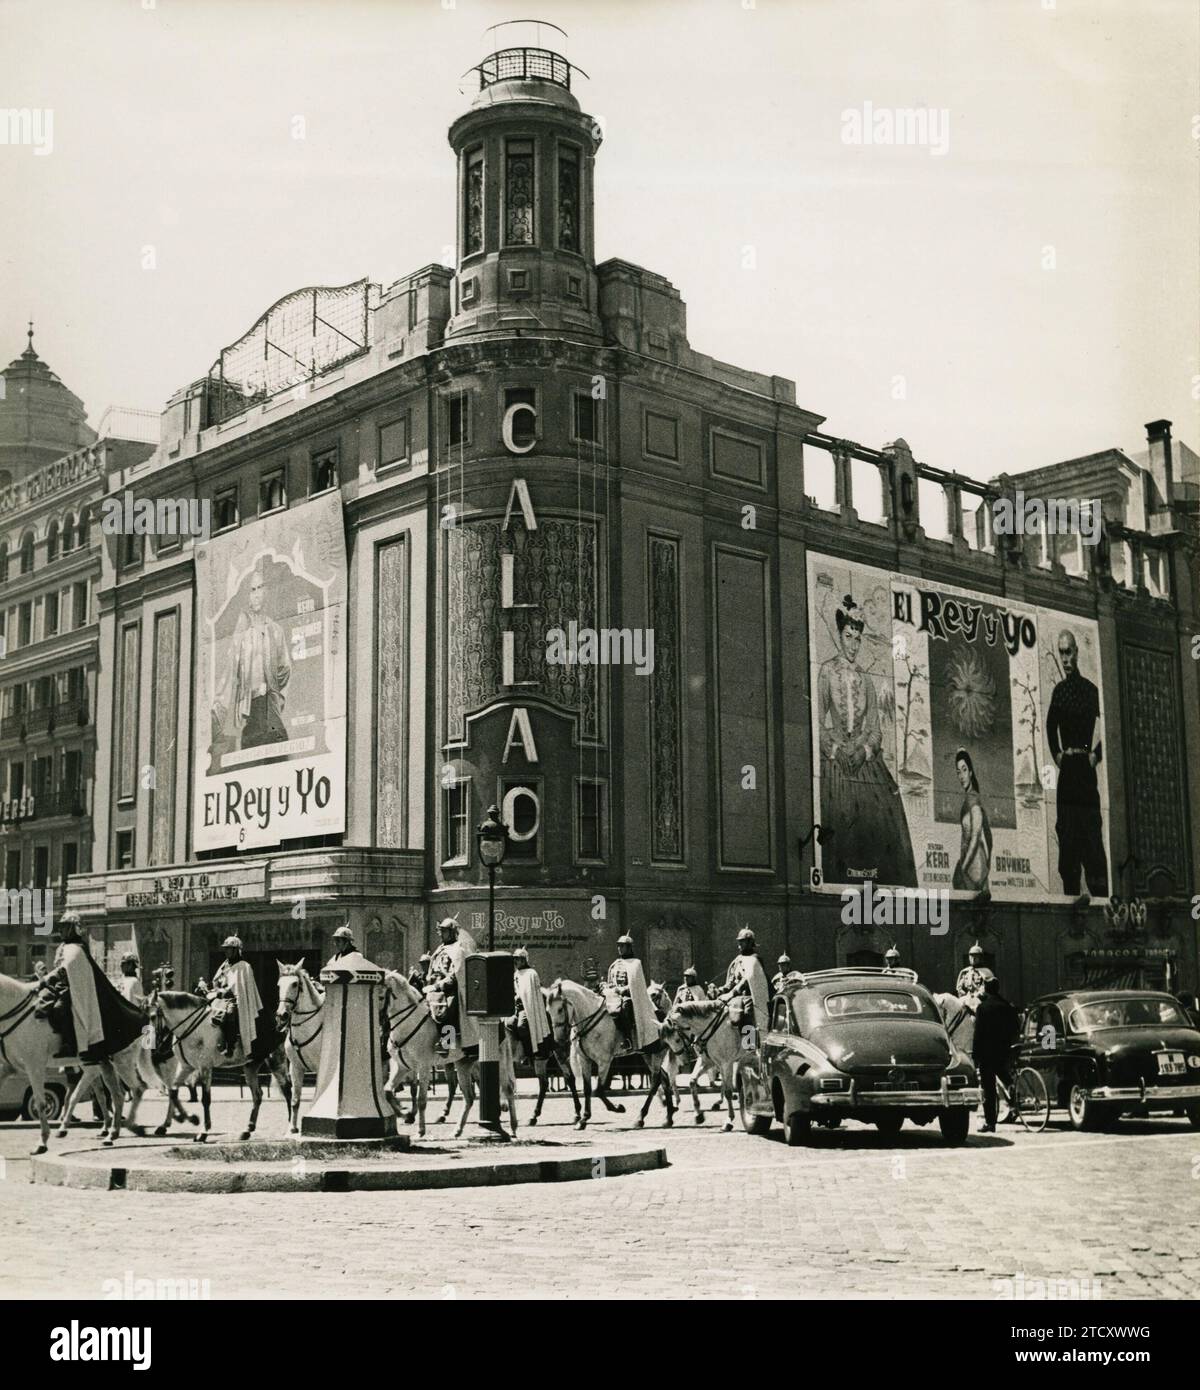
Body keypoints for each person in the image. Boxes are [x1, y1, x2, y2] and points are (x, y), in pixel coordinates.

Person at [816, 594, 918, 886]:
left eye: (857, 639)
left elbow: (875, 729)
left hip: (862, 759)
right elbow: (817, 721)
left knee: (886, 811)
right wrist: (834, 749)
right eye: (848, 637)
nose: (853, 644)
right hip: (836, 758)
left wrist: (864, 751)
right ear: (840, 635)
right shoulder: (826, 672)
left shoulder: (866, 679)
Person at [1045, 630, 1108, 898]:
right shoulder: (1059, 692)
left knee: (1091, 830)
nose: (1065, 658)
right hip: (1068, 769)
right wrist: (1057, 754)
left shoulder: (1091, 690)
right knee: (1067, 831)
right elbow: (1050, 726)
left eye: (1068, 651)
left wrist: (1097, 754)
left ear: (1076, 653)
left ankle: (1100, 895)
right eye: (1061, 652)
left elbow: (1107, 724)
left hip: (1084, 766)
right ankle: (1071, 896)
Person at [212, 559, 293, 756]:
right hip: (249, 707)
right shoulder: (242, 633)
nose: (256, 595)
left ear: (267, 592)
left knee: (278, 753)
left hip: (270, 705)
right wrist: (220, 698)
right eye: (252, 589)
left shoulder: (275, 630)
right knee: (250, 756)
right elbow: (231, 669)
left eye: (260, 589)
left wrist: (272, 687)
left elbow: (285, 668)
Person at [41, 915, 144, 1064]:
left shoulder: (78, 947)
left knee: (60, 1008)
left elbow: (65, 969)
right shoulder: (64, 947)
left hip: (73, 989)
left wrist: (50, 979)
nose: (61, 930)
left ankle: (69, 1044)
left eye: (64, 927)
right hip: (62, 986)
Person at [973, 977, 1019, 1133]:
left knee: (988, 1088)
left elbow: (978, 1034)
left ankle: (990, 1123)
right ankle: (1010, 1084)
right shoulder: (1007, 1006)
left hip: (986, 1053)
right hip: (1003, 1050)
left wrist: (975, 1055)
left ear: (986, 989)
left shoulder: (983, 1008)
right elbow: (1015, 1028)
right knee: (1001, 1071)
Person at [427, 917, 480, 1050]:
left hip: (450, 989)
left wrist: (438, 986)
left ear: (452, 932)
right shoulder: (440, 949)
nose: (440, 934)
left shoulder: (459, 949)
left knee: (448, 1008)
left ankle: (447, 1043)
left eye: (444, 931)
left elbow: (455, 976)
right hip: (433, 988)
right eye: (440, 931)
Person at [207, 935, 263, 1059]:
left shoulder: (244, 966)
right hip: (220, 998)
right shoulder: (225, 965)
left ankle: (230, 1045)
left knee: (230, 1012)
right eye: (225, 948)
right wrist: (210, 988)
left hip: (235, 1000)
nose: (226, 951)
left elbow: (239, 989)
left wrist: (222, 992)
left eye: (229, 948)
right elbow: (216, 980)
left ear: (236, 950)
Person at [605, 934, 657, 1052]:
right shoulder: (614, 964)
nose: (620, 948)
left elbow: (636, 985)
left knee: (624, 1006)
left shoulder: (636, 964)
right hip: (613, 996)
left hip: (628, 996)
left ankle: (627, 1039)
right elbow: (611, 982)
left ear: (629, 948)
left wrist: (624, 990)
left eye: (622, 946)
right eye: (619, 946)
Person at [951, 748, 993, 894]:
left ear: (970, 772)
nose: (961, 776)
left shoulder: (973, 800)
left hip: (974, 866)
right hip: (974, 863)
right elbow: (987, 835)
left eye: (964, 770)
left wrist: (963, 868)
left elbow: (975, 838)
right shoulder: (971, 799)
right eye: (958, 772)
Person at [510, 947, 552, 1065]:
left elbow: (529, 994)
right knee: (507, 1024)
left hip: (527, 1008)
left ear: (524, 961)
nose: (515, 962)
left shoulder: (531, 973)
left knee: (521, 1026)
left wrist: (520, 998)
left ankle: (529, 1053)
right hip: (515, 1007)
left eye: (517, 959)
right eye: (514, 960)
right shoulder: (516, 974)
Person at [722, 927, 770, 1025]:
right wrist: (722, 990)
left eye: (742, 942)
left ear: (749, 942)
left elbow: (747, 979)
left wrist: (732, 993)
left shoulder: (755, 959)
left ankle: (750, 1040)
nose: (739, 945)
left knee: (748, 1022)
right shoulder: (738, 959)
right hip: (737, 1000)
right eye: (739, 942)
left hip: (751, 1000)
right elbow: (732, 979)